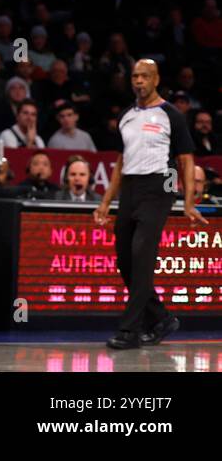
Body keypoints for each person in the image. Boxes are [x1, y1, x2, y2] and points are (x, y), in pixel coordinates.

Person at [95, 58, 206, 350]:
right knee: (125, 260)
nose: (139, 81)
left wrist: (189, 201)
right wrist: (106, 202)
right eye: (135, 76)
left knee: (142, 256)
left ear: (156, 79)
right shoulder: (126, 116)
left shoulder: (172, 114)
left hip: (159, 187)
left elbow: (185, 159)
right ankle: (162, 317)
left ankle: (130, 331)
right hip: (130, 188)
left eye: (145, 76)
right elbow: (120, 162)